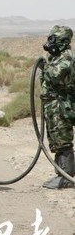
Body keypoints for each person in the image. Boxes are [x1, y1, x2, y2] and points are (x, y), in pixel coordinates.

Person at [38, 25, 75, 189]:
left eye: (54, 39)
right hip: (52, 105)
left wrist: (44, 67)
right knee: (56, 140)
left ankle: (67, 176)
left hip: (61, 105)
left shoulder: (66, 58)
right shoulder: (55, 57)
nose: (50, 42)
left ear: (63, 41)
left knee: (63, 141)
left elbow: (56, 76)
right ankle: (61, 174)